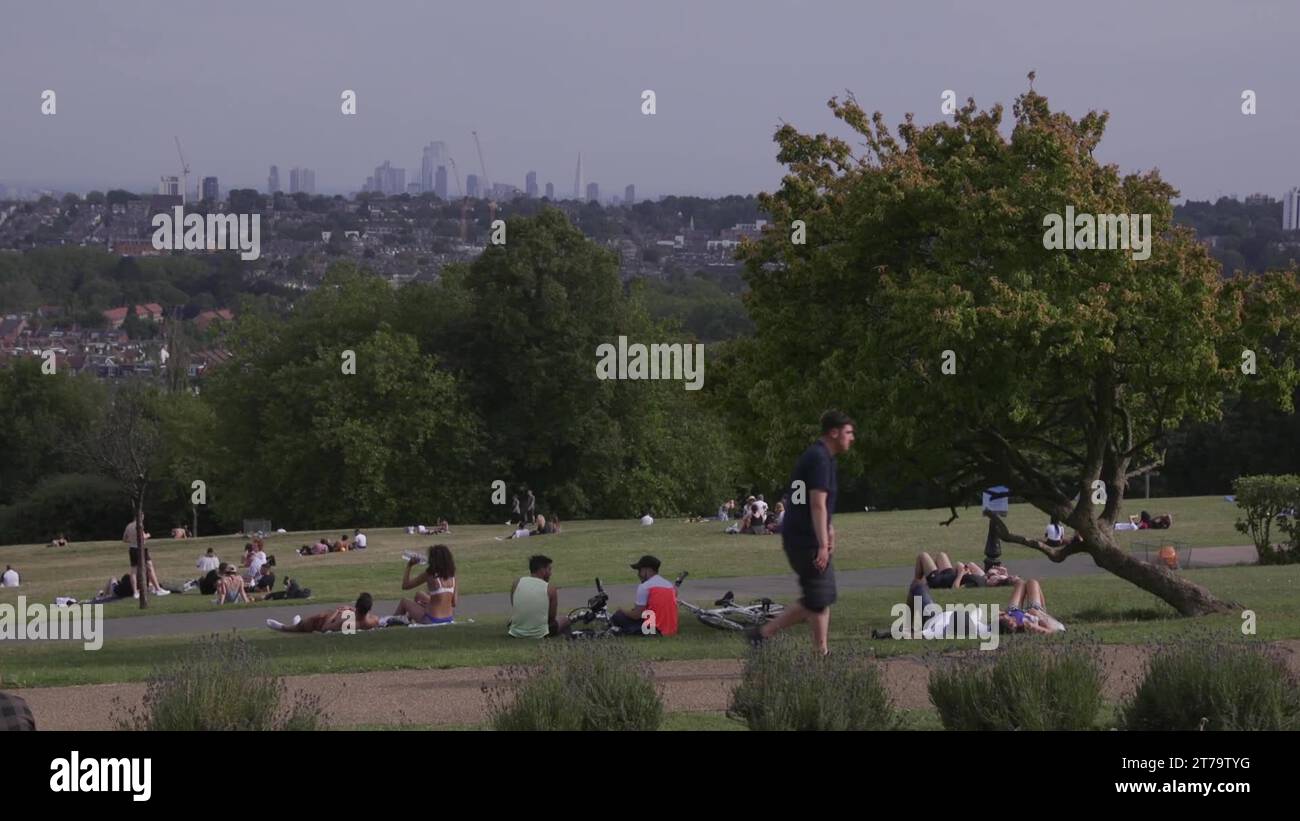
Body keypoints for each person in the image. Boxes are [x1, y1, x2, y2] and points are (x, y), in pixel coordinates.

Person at [748, 410, 855, 655]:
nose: (852, 438)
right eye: (849, 432)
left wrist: (829, 529)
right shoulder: (819, 458)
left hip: (803, 537)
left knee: (820, 597)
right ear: (834, 432)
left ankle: (817, 651)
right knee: (818, 598)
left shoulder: (823, 457)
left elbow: (816, 505)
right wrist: (821, 543)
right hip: (805, 540)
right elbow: (816, 503)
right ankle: (766, 634)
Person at [388, 544, 458, 625]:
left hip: (432, 619)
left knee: (404, 602)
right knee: (419, 594)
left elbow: (405, 586)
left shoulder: (430, 574)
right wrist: (431, 603)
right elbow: (454, 602)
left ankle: (391, 625)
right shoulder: (453, 575)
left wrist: (409, 566)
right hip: (448, 618)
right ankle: (408, 618)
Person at [610, 555, 678, 636]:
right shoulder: (669, 585)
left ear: (648, 570)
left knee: (618, 616)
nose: (638, 574)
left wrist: (622, 610)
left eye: (640, 570)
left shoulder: (645, 586)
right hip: (671, 629)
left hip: (654, 630)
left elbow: (636, 615)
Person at [508, 554, 569, 638]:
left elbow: (515, 606)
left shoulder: (517, 583)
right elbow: (551, 618)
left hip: (516, 632)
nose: (551, 573)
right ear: (542, 570)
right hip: (540, 634)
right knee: (565, 619)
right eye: (549, 569)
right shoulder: (550, 589)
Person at [267, 593, 380, 633]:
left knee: (321, 616)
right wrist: (350, 609)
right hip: (345, 617)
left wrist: (336, 613)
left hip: (325, 623)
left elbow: (325, 628)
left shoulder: (348, 623)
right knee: (326, 614)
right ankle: (298, 623)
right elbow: (363, 615)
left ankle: (285, 627)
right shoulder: (373, 619)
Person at [913, 552, 1020, 589]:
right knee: (942, 555)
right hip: (949, 575)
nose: (992, 576)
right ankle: (925, 582)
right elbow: (972, 566)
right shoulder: (982, 579)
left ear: (994, 583)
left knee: (923, 556)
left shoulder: (978, 584)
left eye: (995, 578)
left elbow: (955, 588)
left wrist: (961, 573)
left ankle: (915, 584)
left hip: (940, 581)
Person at [998, 579, 1067, 634]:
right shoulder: (1028, 626)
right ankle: (1043, 611)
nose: (1004, 617)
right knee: (1032, 582)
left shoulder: (1007, 619)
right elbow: (1052, 632)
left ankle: (1043, 611)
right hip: (1034, 613)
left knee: (1020, 583)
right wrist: (1041, 615)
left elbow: (1001, 616)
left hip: (1013, 611)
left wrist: (1003, 615)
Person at [123, 516, 168, 596]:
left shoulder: (129, 525)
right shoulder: (139, 525)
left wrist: (132, 540)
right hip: (141, 549)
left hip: (132, 549)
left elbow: (124, 539)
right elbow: (142, 537)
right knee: (150, 568)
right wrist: (148, 535)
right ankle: (158, 589)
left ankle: (135, 592)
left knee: (134, 570)